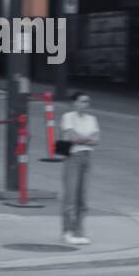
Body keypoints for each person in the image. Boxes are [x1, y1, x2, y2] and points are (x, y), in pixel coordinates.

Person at [59, 92, 100, 246]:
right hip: (72, 157)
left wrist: (83, 140)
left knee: (82, 197)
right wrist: (86, 139)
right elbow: (71, 137)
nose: (85, 104)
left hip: (87, 157)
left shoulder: (92, 119)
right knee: (70, 196)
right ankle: (67, 231)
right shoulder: (68, 116)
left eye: (87, 101)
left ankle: (79, 231)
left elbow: (96, 140)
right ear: (75, 103)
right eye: (82, 101)